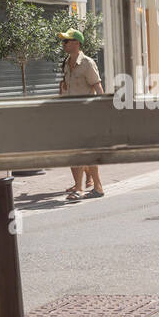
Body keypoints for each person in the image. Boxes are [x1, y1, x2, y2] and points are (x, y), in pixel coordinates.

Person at [57, 28, 105, 200]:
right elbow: (65, 87)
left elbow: (98, 87)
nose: (63, 44)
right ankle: (96, 187)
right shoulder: (66, 62)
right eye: (63, 41)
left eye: (66, 41)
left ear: (76, 43)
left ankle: (80, 188)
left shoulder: (87, 63)